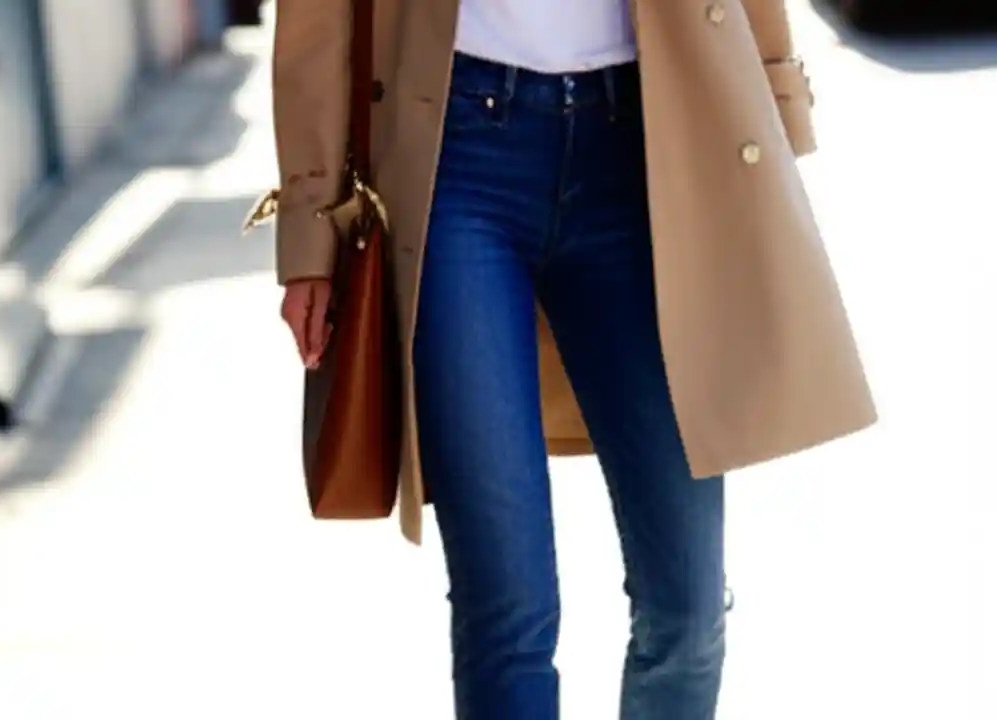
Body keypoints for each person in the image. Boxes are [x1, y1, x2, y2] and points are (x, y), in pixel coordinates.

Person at [262, 1, 876, 717]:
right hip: (457, 157)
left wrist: (774, 99)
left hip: (644, 149)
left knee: (687, 610)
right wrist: (311, 231)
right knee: (507, 607)